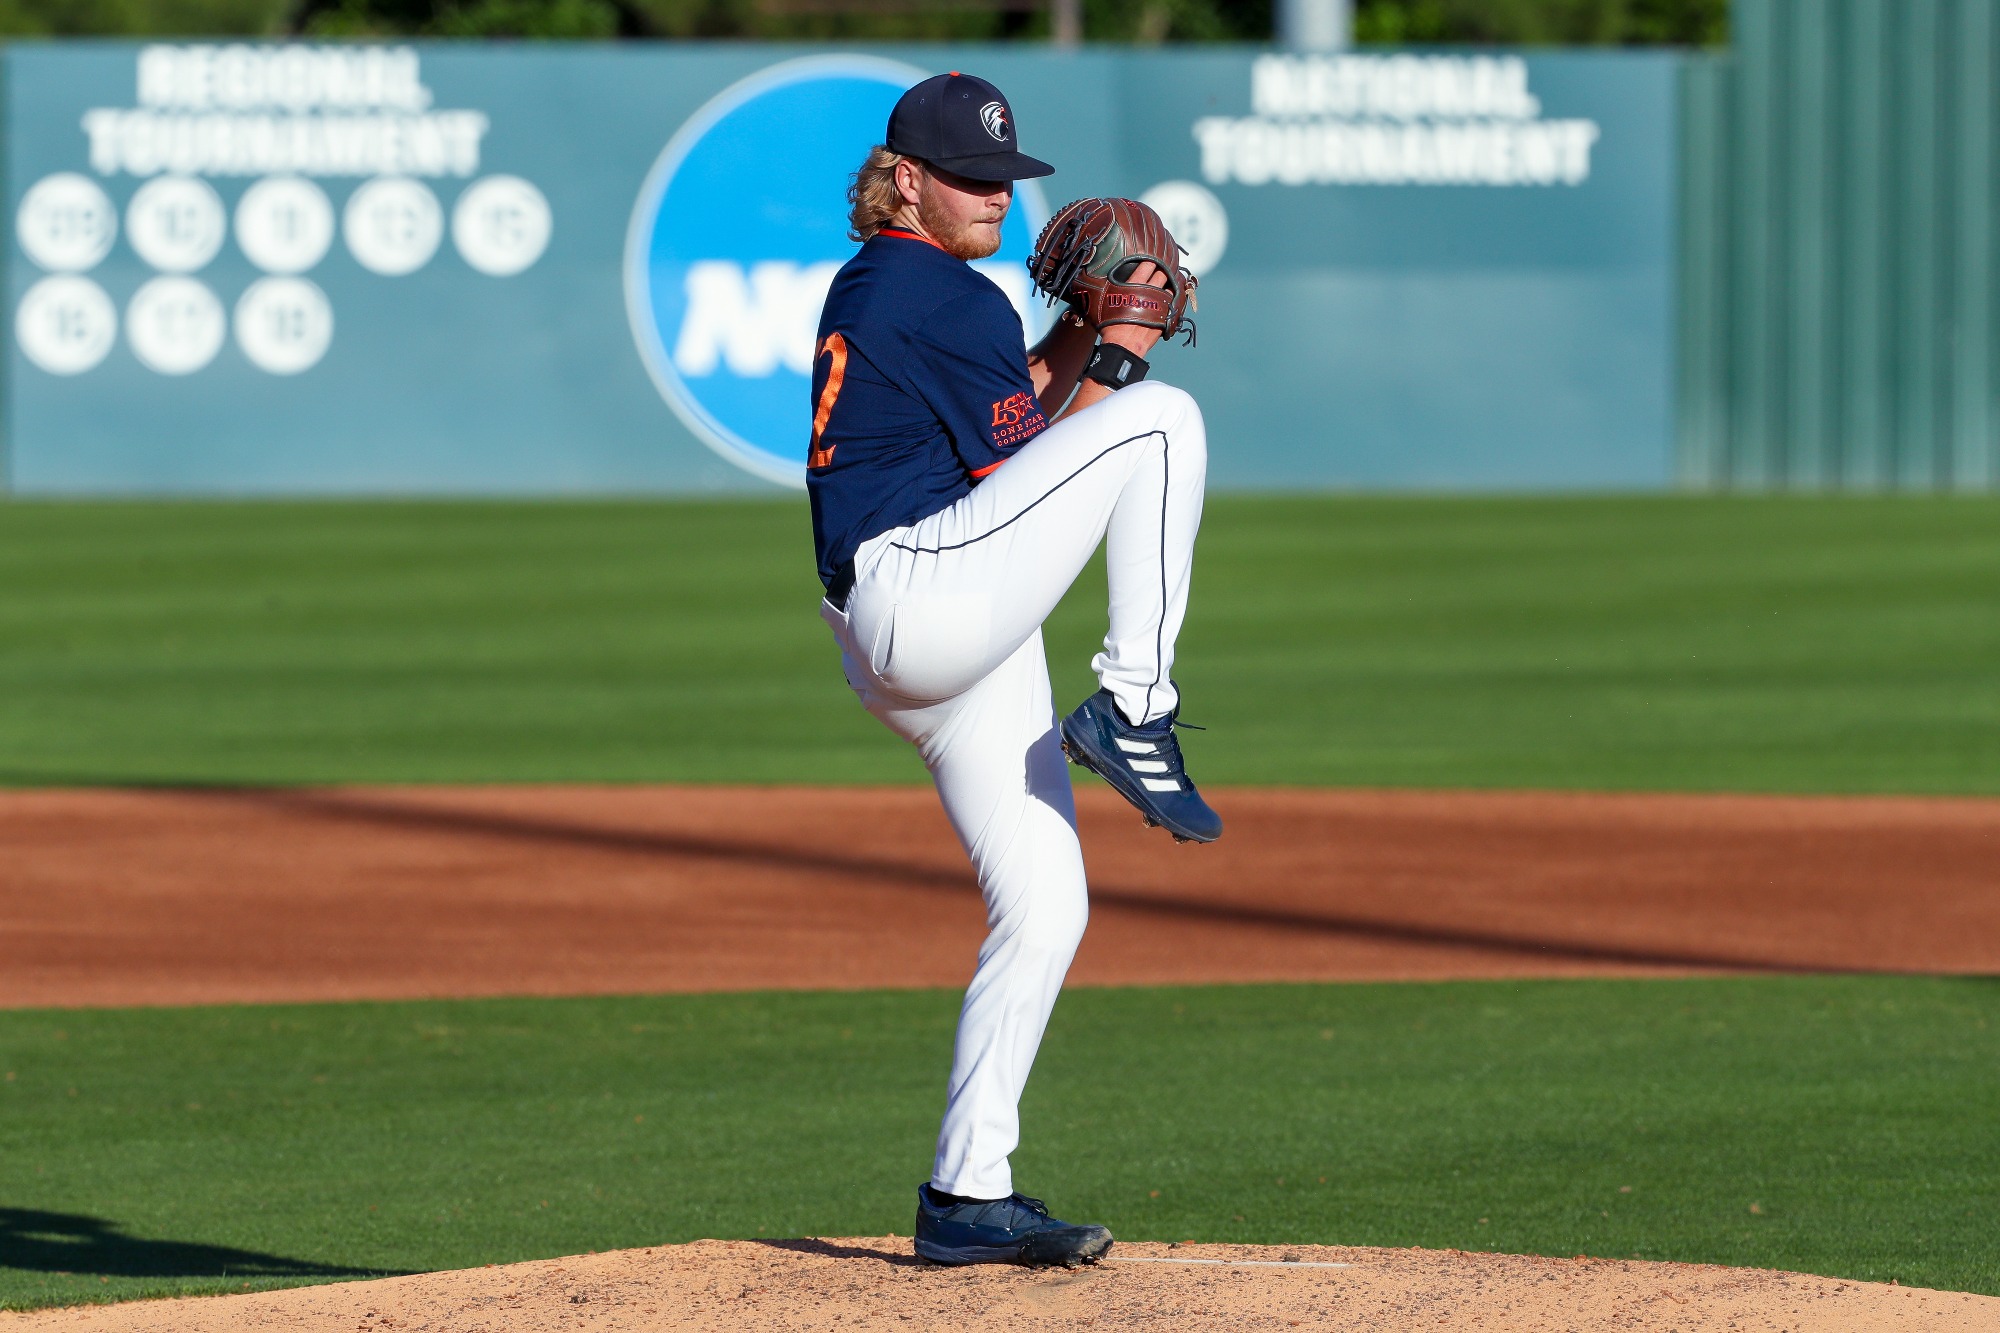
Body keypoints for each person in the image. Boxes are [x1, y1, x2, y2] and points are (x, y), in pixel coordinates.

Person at [808, 71, 1220, 1269]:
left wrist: (1080, 337)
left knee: (1045, 902)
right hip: (924, 592)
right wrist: (1122, 348)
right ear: (905, 180)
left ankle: (965, 1193)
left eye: (1003, 176)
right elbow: (1048, 453)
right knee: (1163, 423)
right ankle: (1135, 703)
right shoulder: (936, 291)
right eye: (969, 177)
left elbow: (1023, 431)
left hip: (930, 621)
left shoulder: (898, 283)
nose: (995, 194)